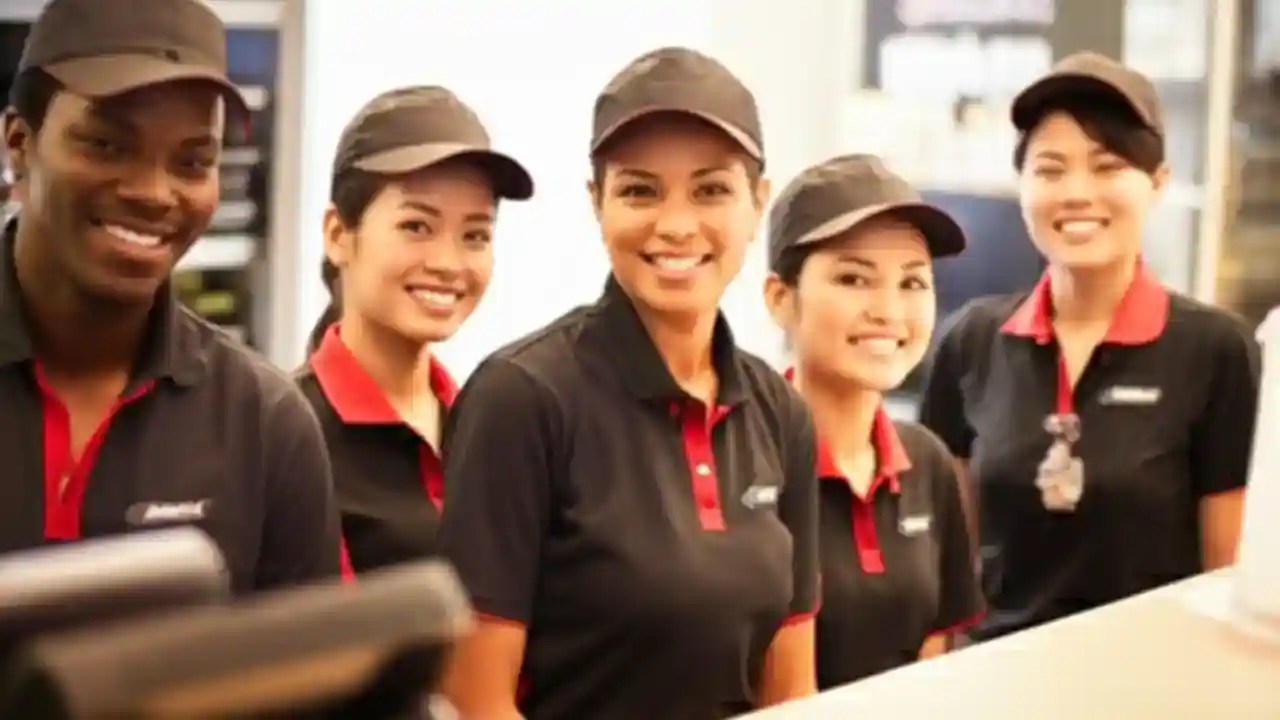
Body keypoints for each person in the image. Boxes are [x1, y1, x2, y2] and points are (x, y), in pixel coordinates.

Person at [438, 47, 819, 719]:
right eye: (640, 190)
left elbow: (791, 695)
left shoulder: (779, 412)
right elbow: (475, 702)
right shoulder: (523, 398)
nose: (675, 225)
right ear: (597, 202)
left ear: (758, 203)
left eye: (711, 190)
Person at [0, 0, 340, 593]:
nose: (155, 193)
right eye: (106, 145)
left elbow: (305, 681)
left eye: (192, 161)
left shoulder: (265, 425)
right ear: (19, 144)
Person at [919, 52, 1260, 641]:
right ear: (1021, 186)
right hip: (995, 684)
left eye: (1107, 166)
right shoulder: (971, 341)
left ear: (1157, 184)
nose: (1077, 193)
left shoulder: (1217, 351)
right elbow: (949, 570)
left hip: (1152, 686)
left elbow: (1226, 582)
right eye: (1050, 170)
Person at [763, 154, 984, 688]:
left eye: (912, 283)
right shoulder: (747, 462)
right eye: (853, 278)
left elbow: (935, 663)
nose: (888, 310)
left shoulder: (928, 461)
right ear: (780, 299)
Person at [294, 86, 533, 578]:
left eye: (475, 235)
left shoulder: (488, 422)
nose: (448, 264)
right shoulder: (287, 434)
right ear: (339, 235)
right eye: (417, 226)